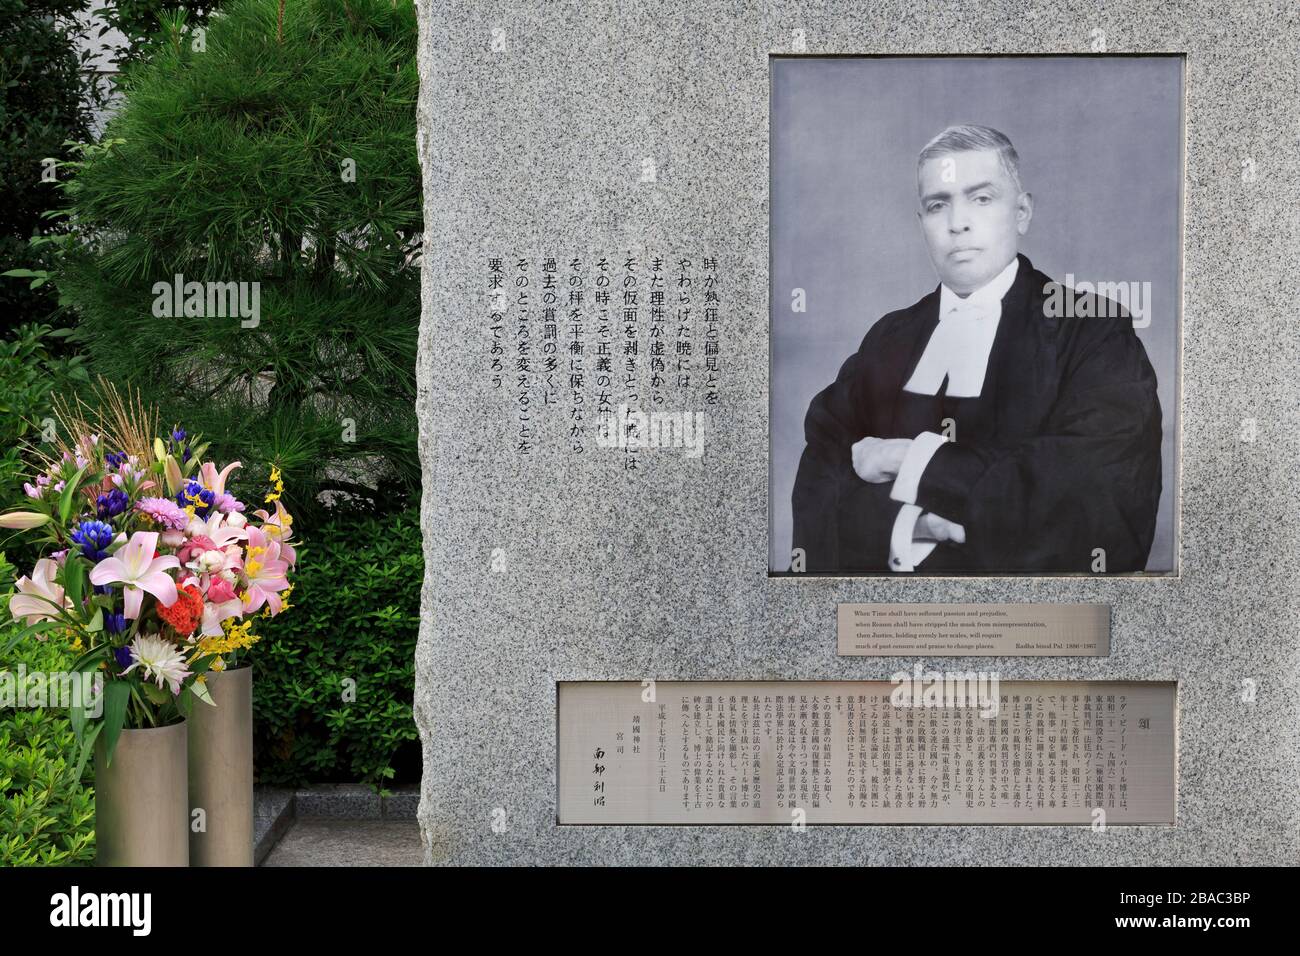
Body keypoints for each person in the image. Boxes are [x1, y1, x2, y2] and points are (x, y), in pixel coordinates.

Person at [791, 124, 1161, 573]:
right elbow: (820, 482)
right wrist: (914, 526)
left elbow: (1094, 491)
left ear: (1021, 212)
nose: (957, 222)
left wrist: (912, 460)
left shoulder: (1094, 332)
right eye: (937, 205)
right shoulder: (888, 339)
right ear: (921, 222)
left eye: (981, 198)